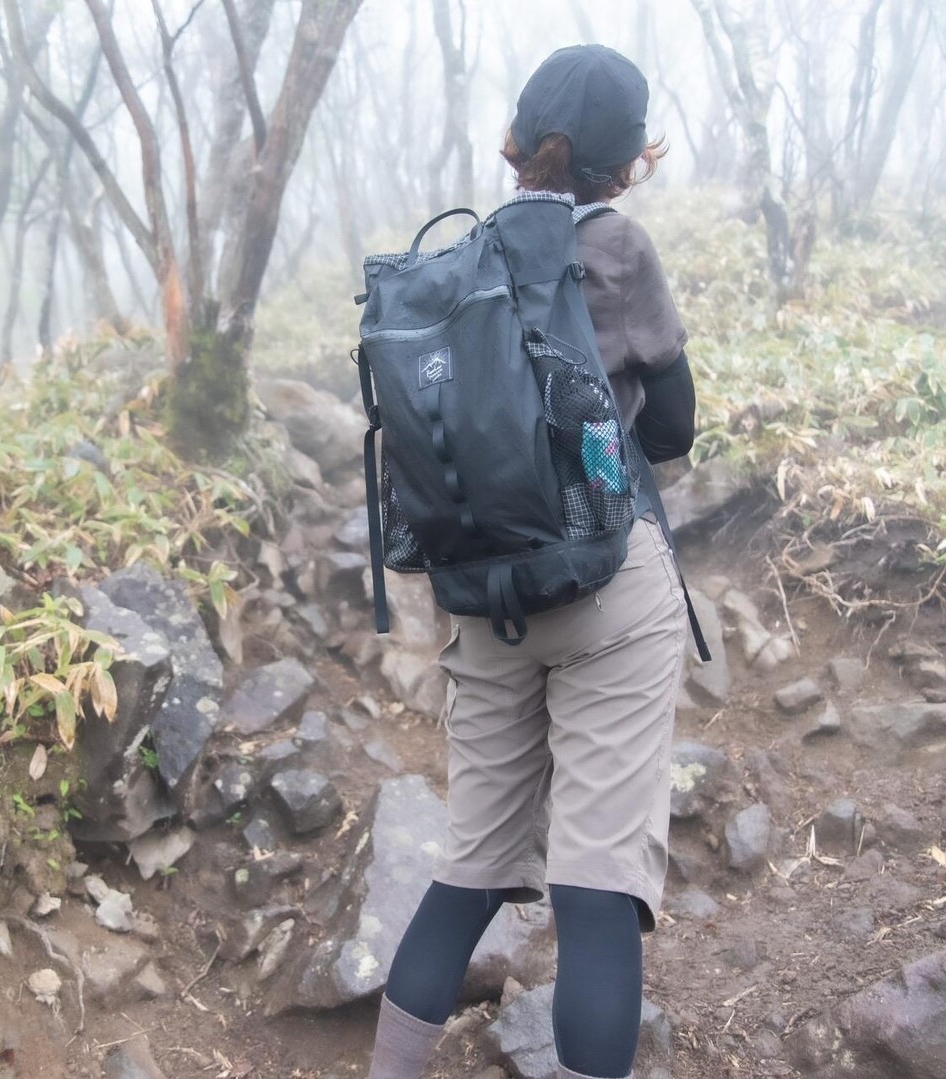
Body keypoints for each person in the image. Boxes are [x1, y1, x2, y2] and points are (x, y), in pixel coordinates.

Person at [364, 45, 695, 1079]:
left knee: (467, 874)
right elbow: (674, 427)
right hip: (609, 594)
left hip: (483, 601)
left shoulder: (455, 264)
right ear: (627, 161)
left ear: (519, 141)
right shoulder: (616, 248)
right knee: (595, 890)